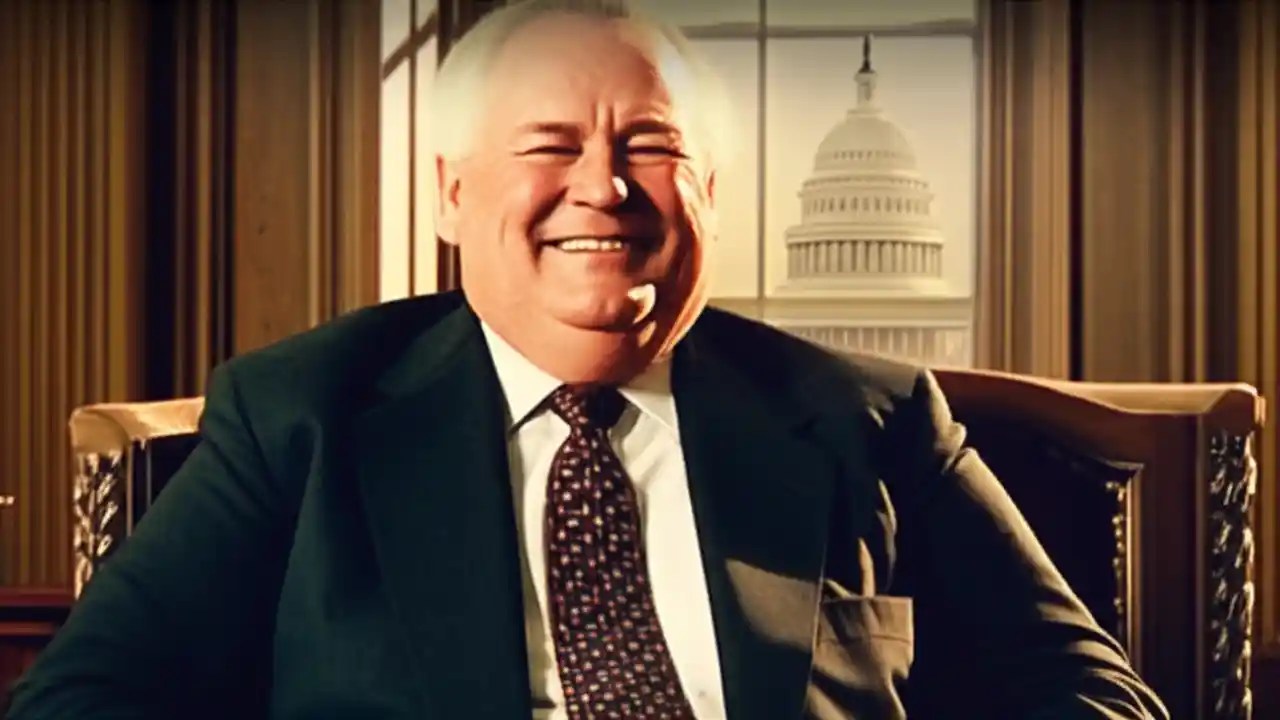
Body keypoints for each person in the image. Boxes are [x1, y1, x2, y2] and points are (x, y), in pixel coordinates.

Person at [8, 1, 1168, 718]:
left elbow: (1094, 696)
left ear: (710, 193)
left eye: (650, 146)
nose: (602, 188)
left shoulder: (868, 417)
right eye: (549, 146)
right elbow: (84, 699)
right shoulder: (297, 415)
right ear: (451, 194)